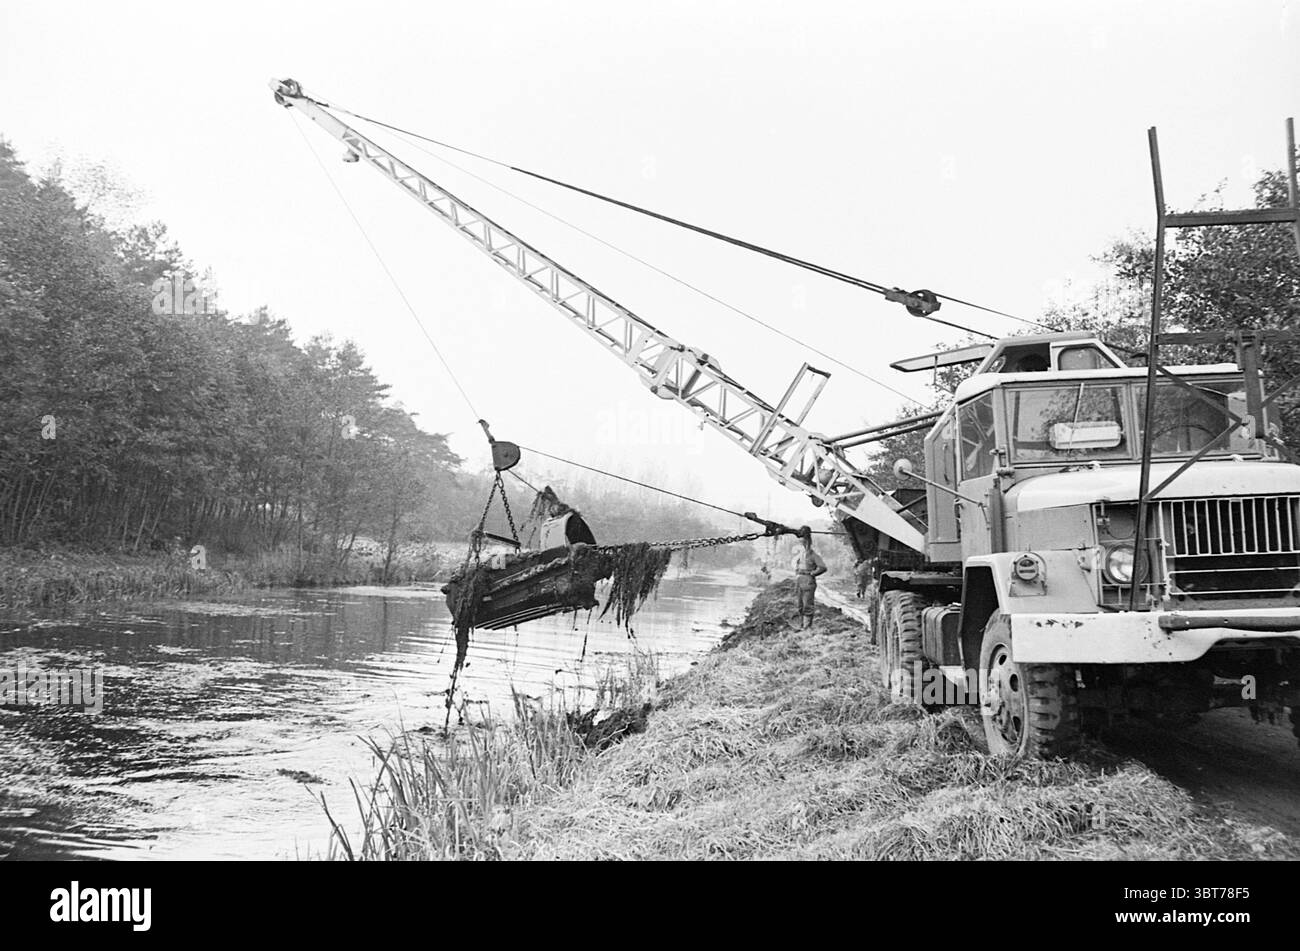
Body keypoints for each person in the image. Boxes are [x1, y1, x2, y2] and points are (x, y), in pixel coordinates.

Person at [790, 527, 827, 629]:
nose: (802, 543)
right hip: (800, 581)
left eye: (804, 541)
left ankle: (807, 627)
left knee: (807, 605)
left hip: (808, 581)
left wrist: (813, 573)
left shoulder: (813, 555)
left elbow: (823, 567)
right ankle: (801, 626)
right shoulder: (800, 555)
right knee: (800, 605)